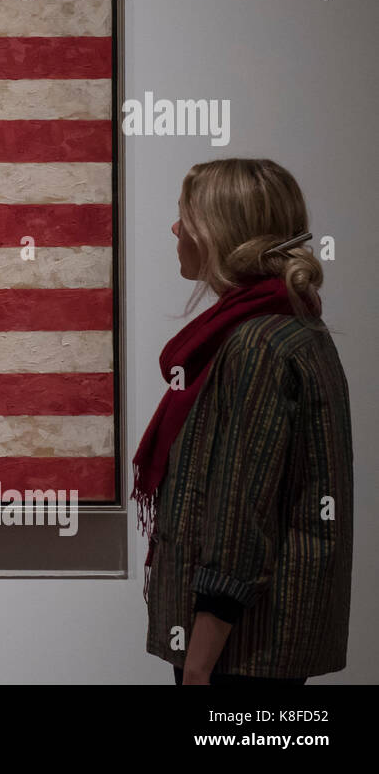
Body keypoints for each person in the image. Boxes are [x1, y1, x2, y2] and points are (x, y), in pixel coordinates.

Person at [133, 158, 352, 685]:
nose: (175, 228)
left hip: (242, 654)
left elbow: (239, 521)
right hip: (264, 645)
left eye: (185, 215)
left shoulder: (255, 344)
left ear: (219, 232)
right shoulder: (293, 326)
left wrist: (199, 665)